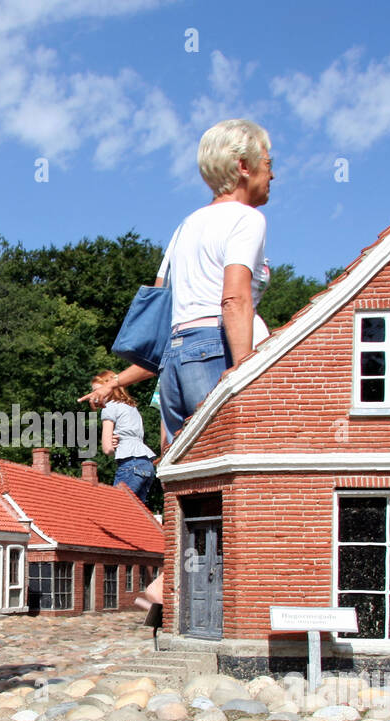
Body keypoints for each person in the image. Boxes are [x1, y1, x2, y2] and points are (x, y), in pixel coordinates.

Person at [81, 118, 275, 616]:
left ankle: (177, 591)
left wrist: (120, 381)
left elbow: (167, 317)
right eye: (270, 165)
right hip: (217, 352)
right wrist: (245, 372)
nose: (274, 176)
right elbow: (233, 300)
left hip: (175, 365)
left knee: (187, 482)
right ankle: (185, 589)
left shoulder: (184, 226)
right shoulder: (246, 220)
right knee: (238, 478)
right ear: (243, 165)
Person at [87, 370, 156, 505]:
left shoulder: (109, 408)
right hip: (146, 464)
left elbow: (107, 449)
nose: (96, 396)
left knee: (116, 508)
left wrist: (111, 445)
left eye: (98, 391)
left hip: (129, 464)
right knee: (138, 514)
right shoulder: (131, 408)